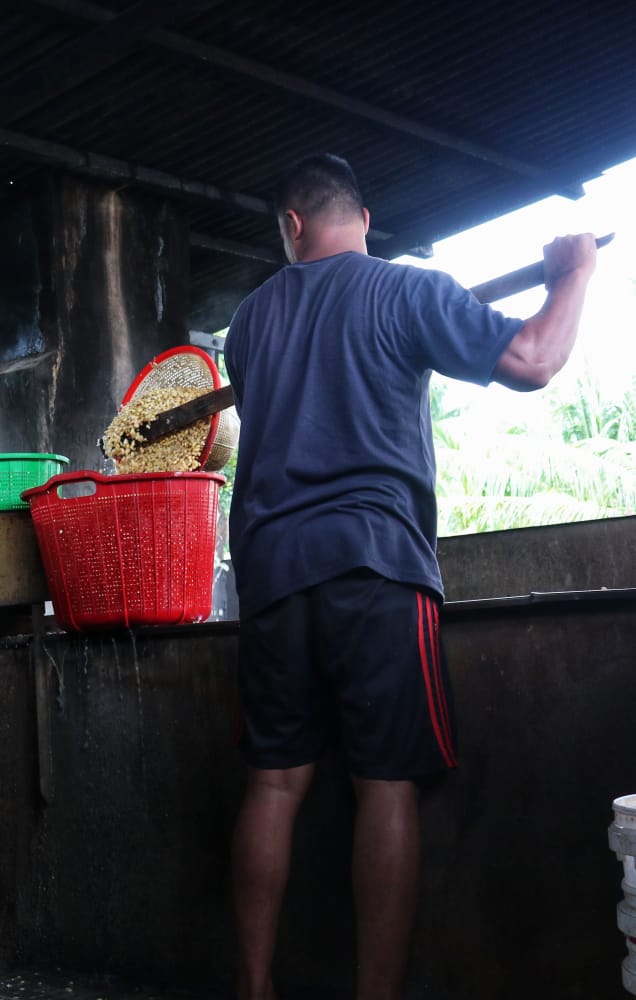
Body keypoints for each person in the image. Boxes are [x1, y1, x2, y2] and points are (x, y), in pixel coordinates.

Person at [223, 153, 597, 1000]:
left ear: (291, 225)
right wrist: (575, 271)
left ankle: (251, 989)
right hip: (377, 569)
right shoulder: (407, 290)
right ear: (363, 217)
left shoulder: (248, 323)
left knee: (274, 786)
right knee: (383, 787)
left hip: (274, 577)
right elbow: (535, 357)